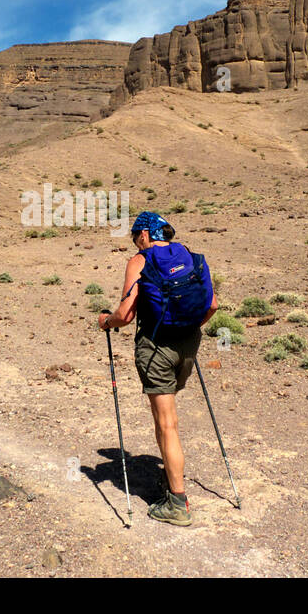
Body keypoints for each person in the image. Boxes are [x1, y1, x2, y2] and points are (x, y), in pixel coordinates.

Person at [98, 211, 217, 527]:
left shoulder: (140, 260)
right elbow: (213, 305)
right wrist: (191, 328)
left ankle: (177, 502)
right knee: (169, 420)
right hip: (189, 345)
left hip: (156, 350)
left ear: (144, 235)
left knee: (167, 423)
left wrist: (105, 322)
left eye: (136, 237)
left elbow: (125, 314)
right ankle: (172, 479)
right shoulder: (189, 255)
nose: (136, 243)